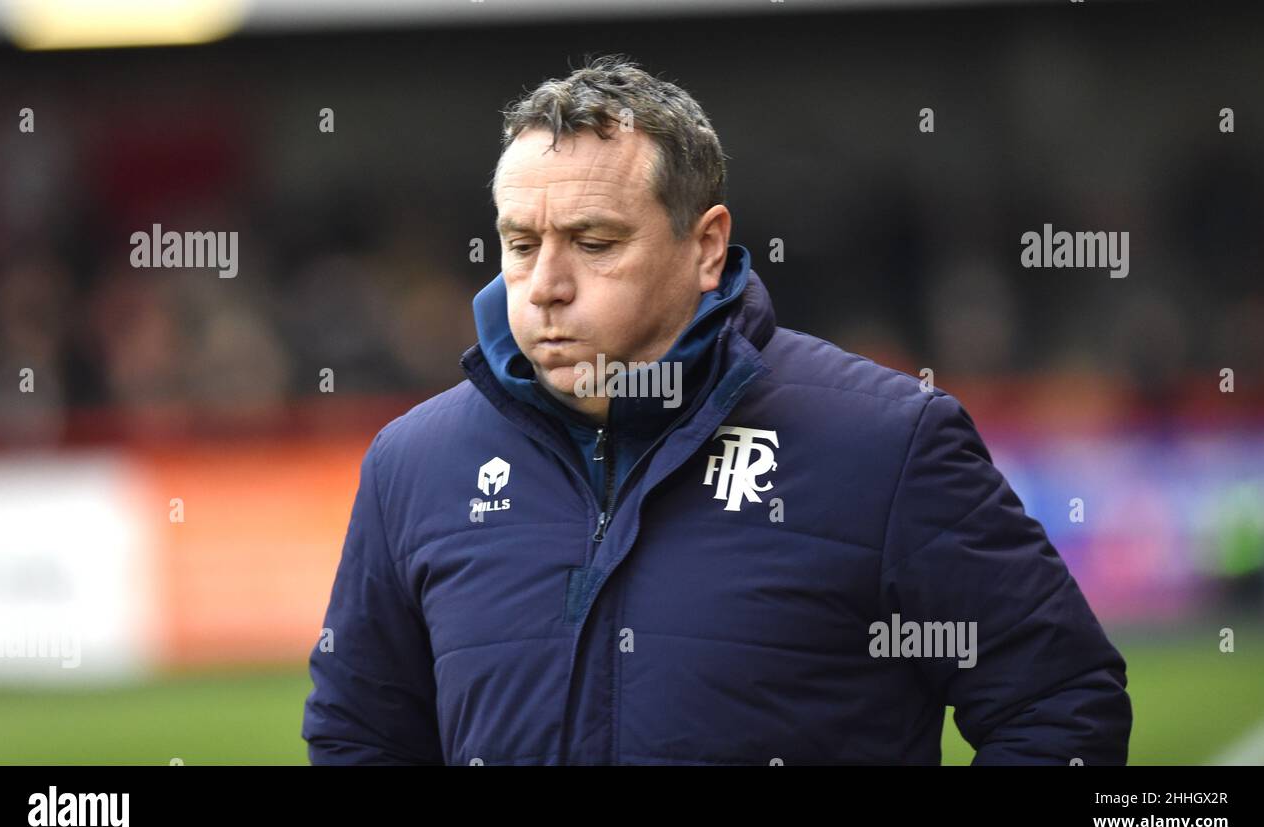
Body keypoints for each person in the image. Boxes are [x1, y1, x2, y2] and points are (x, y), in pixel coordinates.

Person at [301, 55, 1132, 765]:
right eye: (521, 245)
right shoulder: (413, 463)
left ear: (704, 246)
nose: (546, 285)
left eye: (594, 244)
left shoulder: (886, 443)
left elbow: (1058, 703)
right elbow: (358, 733)